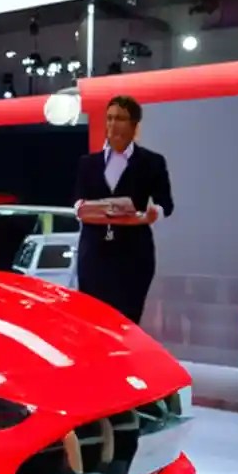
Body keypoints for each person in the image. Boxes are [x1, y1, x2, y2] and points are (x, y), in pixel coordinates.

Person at [73, 95, 175, 324]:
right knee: (93, 322)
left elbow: (166, 203)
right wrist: (83, 209)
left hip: (133, 255)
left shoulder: (152, 162)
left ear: (134, 125)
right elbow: (77, 201)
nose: (112, 124)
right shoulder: (88, 163)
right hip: (94, 254)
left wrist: (151, 214)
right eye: (109, 118)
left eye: (120, 118)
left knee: (127, 321)